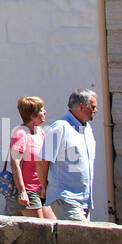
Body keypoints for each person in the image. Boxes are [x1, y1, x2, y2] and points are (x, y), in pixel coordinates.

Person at [39, 88, 98, 221]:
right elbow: (42, 160)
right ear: (82, 107)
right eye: (93, 107)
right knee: (81, 238)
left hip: (84, 201)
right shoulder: (60, 128)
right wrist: (44, 187)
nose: (96, 110)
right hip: (65, 199)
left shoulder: (87, 129)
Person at [3, 96, 55, 219]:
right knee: (39, 231)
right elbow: (14, 164)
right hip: (29, 190)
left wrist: (45, 186)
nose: (45, 112)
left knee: (52, 225)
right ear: (33, 116)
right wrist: (22, 192)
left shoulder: (40, 132)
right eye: (42, 110)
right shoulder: (20, 134)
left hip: (41, 188)